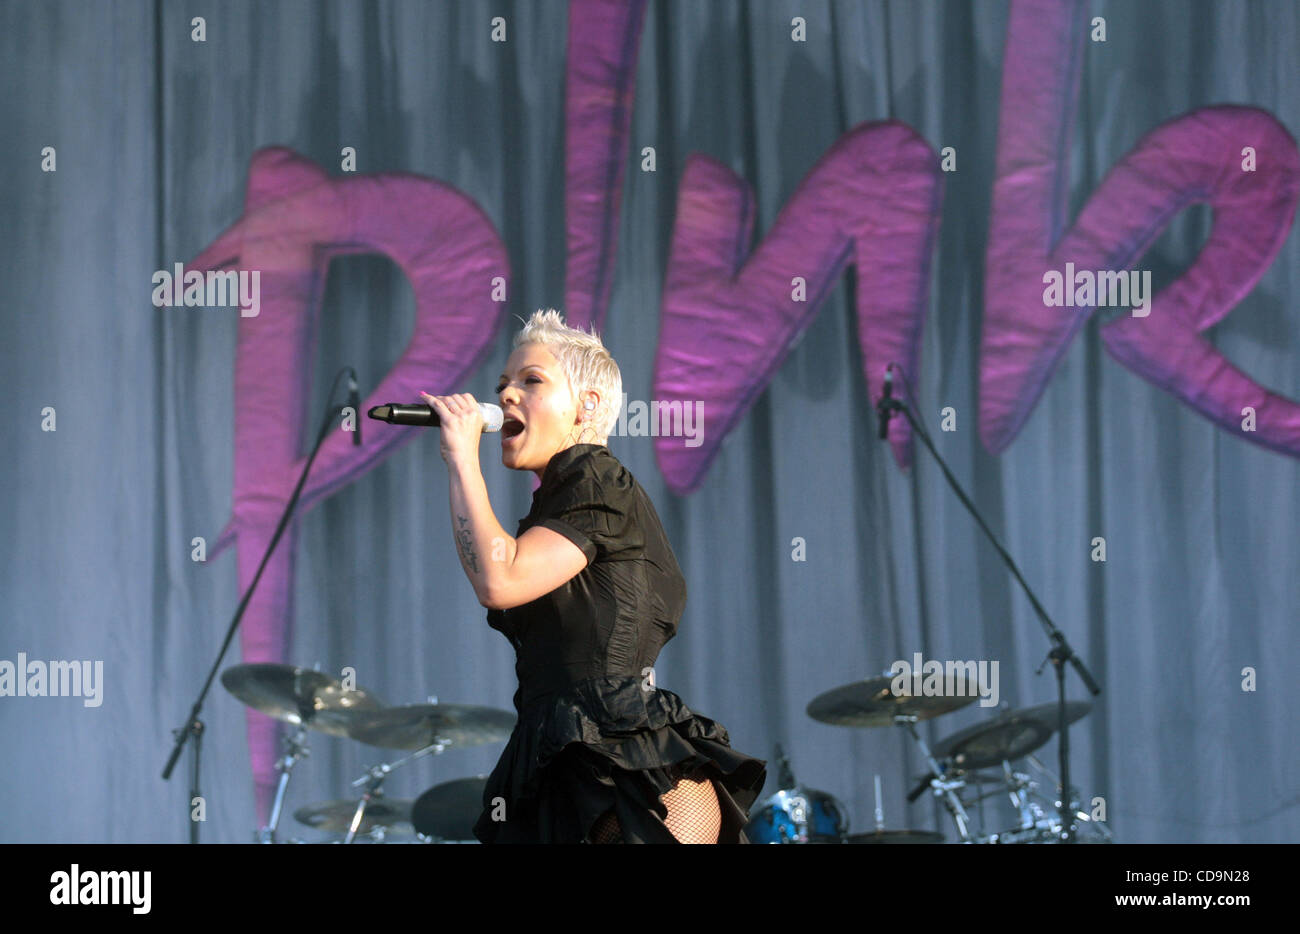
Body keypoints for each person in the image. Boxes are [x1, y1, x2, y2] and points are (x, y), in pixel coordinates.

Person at [421, 309, 766, 843]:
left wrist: (463, 460)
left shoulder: (598, 480)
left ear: (589, 404)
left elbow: (500, 579)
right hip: (567, 757)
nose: (507, 395)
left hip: (629, 763)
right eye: (502, 385)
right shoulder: (557, 505)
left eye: (531, 381)